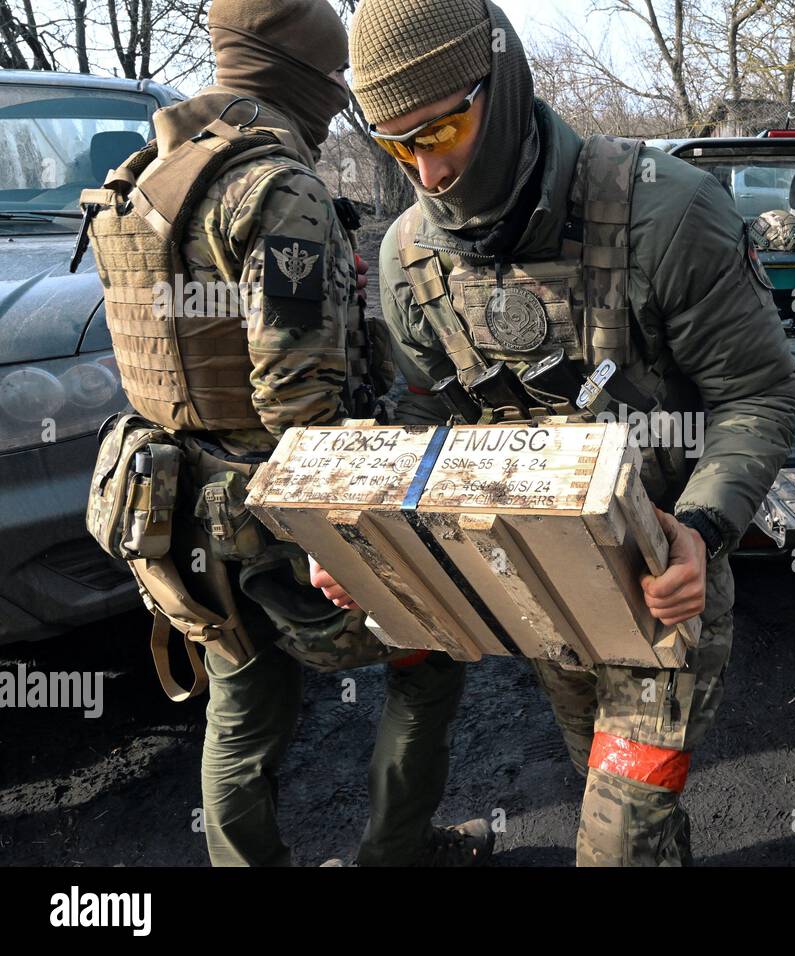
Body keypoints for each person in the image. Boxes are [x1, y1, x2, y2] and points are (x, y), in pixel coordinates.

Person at [315, 0, 795, 865]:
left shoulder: (668, 215)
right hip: (547, 592)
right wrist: (369, 542)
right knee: (612, 790)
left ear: (498, 89)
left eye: (442, 131)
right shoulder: (407, 257)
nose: (426, 173)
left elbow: (755, 398)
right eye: (398, 147)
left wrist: (706, 529)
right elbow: (428, 413)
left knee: (615, 836)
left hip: (662, 591)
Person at [83, 0, 491, 866]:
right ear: (296, 70)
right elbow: (297, 397)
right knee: (431, 655)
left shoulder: (146, 171)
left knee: (241, 700)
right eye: (334, 73)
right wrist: (332, 532)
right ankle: (398, 853)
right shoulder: (276, 184)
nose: (340, 91)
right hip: (277, 504)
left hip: (173, 500)